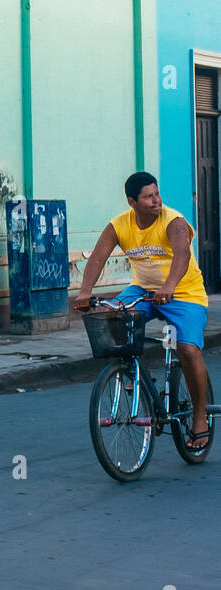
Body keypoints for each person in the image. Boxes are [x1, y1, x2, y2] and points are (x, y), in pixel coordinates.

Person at [74, 171, 212, 449]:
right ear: (131, 202)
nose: (156, 201)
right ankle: (135, 371)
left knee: (186, 350)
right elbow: (98, 257)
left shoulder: (173, 221)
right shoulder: (119, 226)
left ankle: (200, 416)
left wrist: (170, 286)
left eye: (157, 194)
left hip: (184, 292)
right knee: (111, 316)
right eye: (148, 197)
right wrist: (86, 291)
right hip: (144, 290)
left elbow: (182, 255)